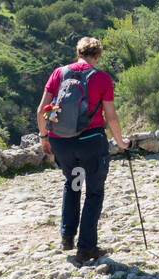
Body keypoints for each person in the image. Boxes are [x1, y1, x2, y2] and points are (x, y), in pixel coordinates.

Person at [36, 36, 129, 264]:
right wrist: (120, 141)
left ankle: (67, 236)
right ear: (97, 56)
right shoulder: (102, 78)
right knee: (94, 192)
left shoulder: (59, 73)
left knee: (73, 182)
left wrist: (44, 138)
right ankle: (86, 248)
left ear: (77, 53)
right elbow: (111, 117)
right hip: (90, 142)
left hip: (62, 143)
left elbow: (41, 111)